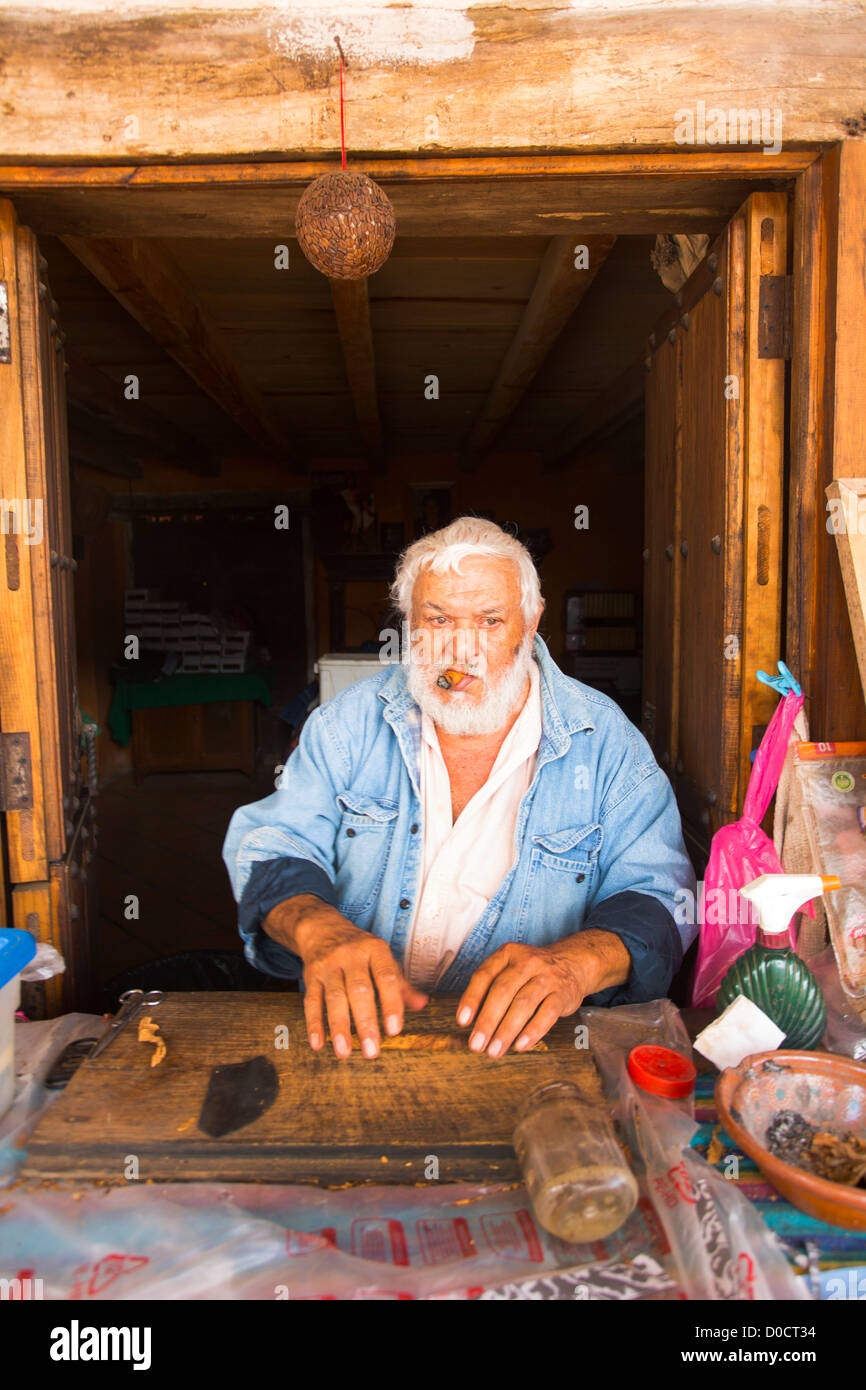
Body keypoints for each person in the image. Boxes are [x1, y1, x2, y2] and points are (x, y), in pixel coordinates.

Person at [222, 517, 696, 1060]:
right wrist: (319, 931)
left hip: (533, 1051)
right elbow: (274, 846)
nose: (460, 652)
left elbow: (664, 898)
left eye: (490, 621)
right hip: (356, 1036)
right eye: (438, 618)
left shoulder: (607, 743)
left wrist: (573, 965)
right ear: (408, 620)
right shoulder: (344, 726)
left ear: (530, 620)